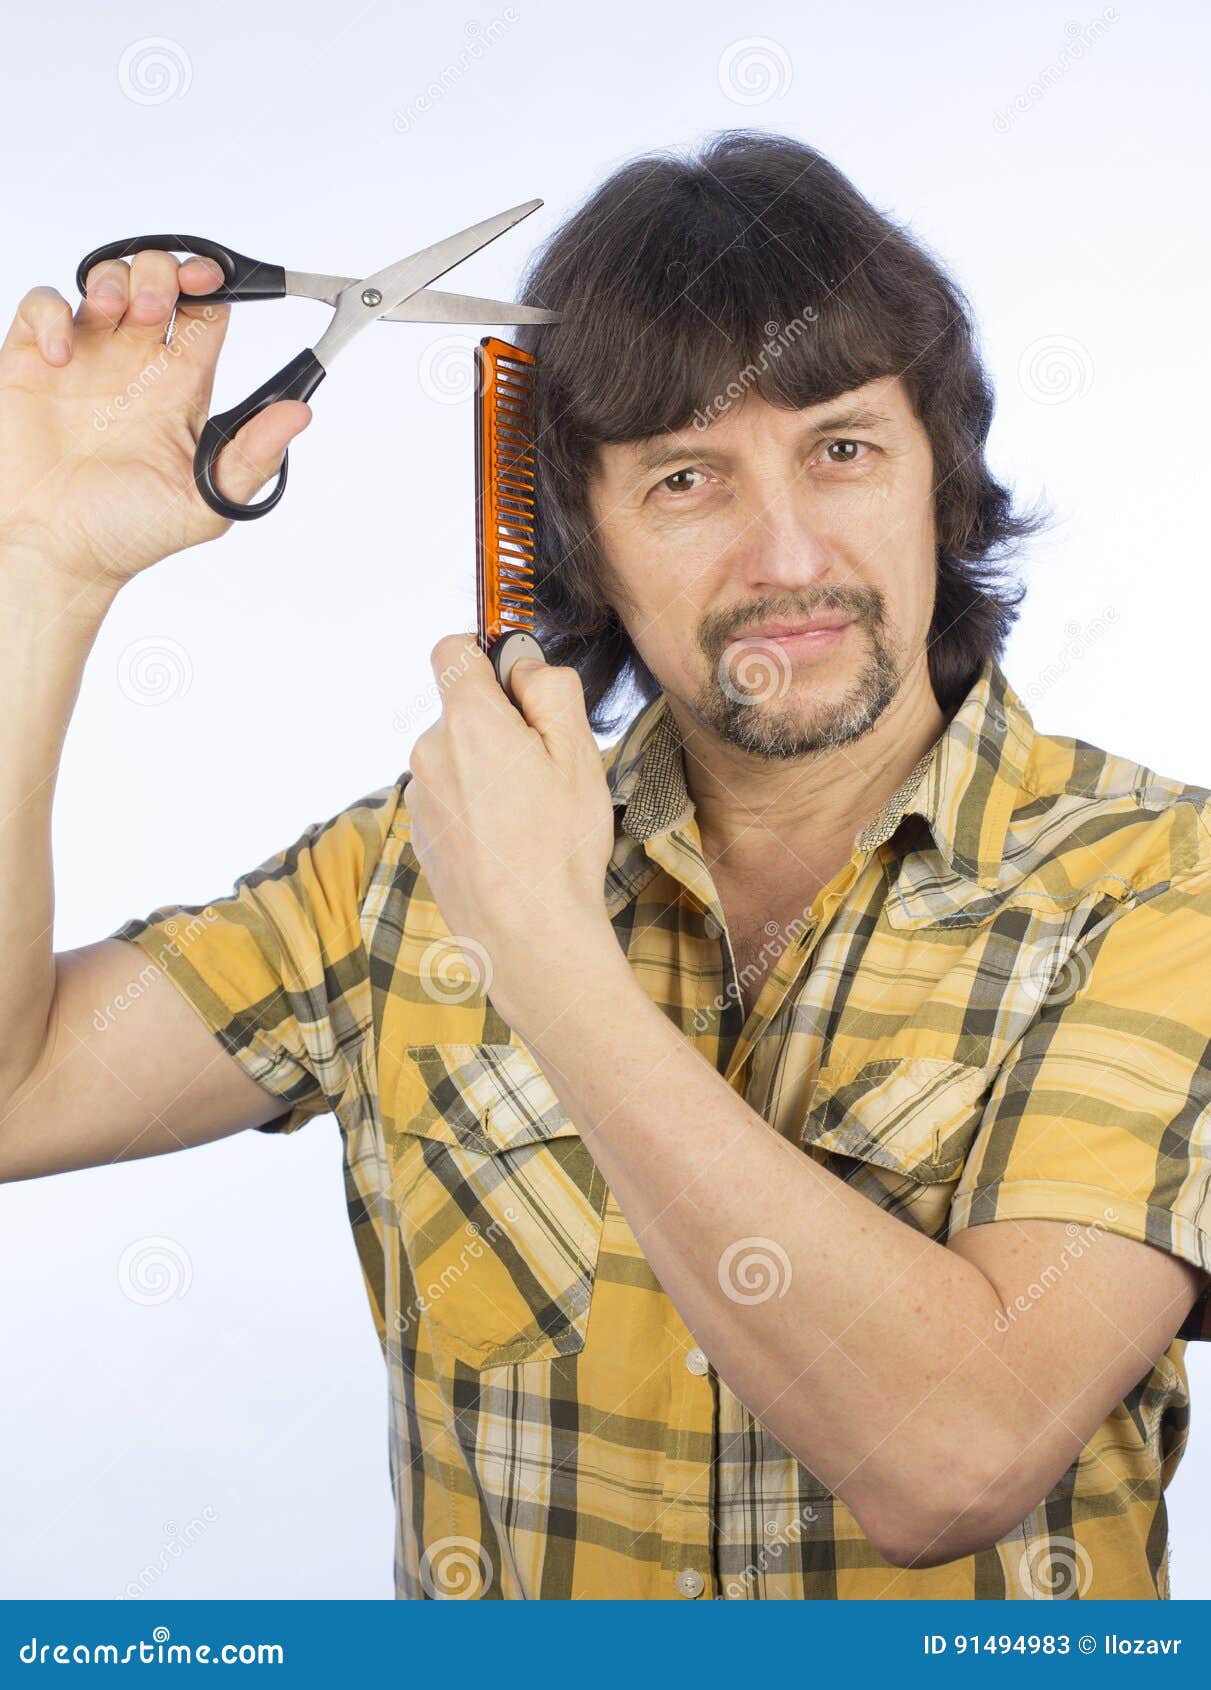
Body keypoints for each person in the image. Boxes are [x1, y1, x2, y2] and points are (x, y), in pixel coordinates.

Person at [2, 129, 1208, 1602]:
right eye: (688, 477)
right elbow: (19, 1086)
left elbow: (953, 1453)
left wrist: (544, 956)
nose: (784, 552)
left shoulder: (1160, 890)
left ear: (939, 480)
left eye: (842, 448)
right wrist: (40, 566)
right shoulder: (408, 870)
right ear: (582, 539)